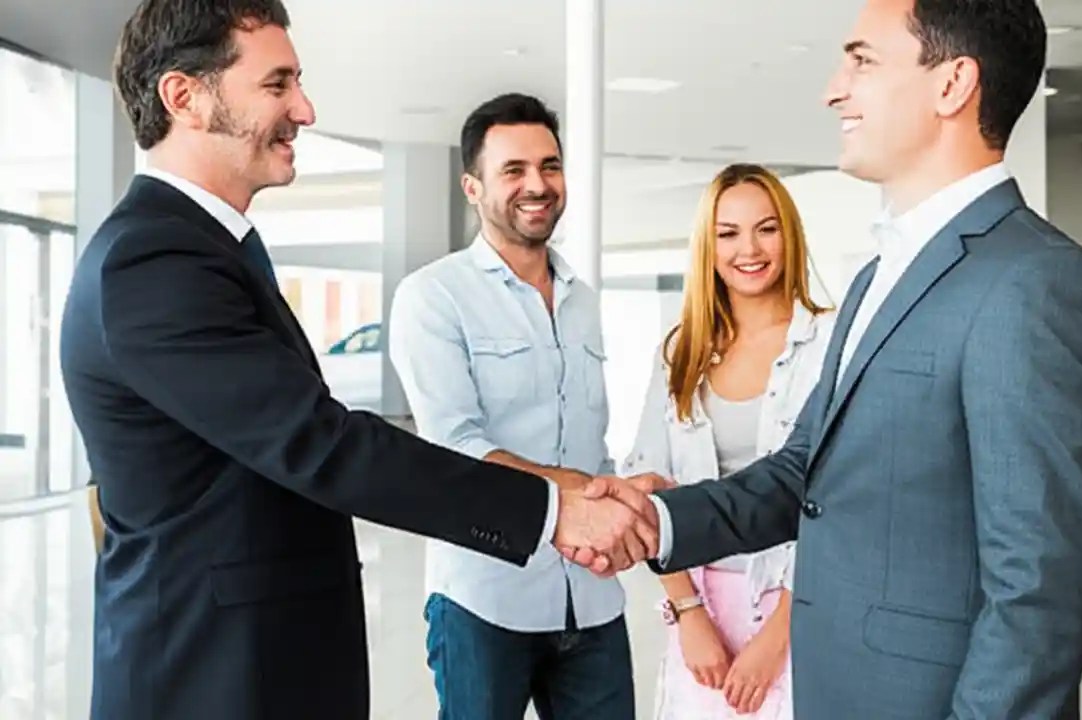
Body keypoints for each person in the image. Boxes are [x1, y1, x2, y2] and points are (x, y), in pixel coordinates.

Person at [60, 3, 652, 719]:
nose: (304, 109)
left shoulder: (207, 249)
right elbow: (320, 443)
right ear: (184, 97)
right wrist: (552, 510)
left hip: (252, 664)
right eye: (277, 84)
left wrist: (579, 490)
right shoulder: (153, 259)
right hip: (206, 676)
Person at [567, 0, 1082, 718]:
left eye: (862, 61)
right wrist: (658, 520)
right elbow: (805, 470)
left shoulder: (1035, 281)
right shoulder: (875, 276)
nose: (835, 88)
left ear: (952, 85)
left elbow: (1042, 585)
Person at [387, 92, 645, 720]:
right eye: (514, 170)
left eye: (550, 166)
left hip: (591, 595)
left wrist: (628, 494)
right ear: (472, 188)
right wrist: (584, 494)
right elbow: (456, 448)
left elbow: (591, 439)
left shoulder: (582, 300)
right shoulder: (433, 296)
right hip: (485, 595)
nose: (538, 184)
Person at [621, 164, 833, 719]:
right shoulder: (681, 352)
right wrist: (689, 614)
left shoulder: (828, 343)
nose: (750, 249)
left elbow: (836, 499)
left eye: (767, 228)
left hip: (804, 609)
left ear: (790, 234)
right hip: (704, 611)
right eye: (728, 233)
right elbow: (648, 489)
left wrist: (777, 638)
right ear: (707, 246)